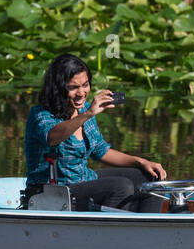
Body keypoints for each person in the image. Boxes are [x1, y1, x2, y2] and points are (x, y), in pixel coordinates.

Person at [23, 53, 168, 211]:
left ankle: (146, 228)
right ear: (58, 88)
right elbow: (52, 137)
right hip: (52, 192)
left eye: (85, 85)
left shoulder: (84, 110)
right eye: (73, 87)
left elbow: (101, 151)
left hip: (83, 180)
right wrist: (88, 114)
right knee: (121, 187)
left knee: (151, 178)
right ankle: (113, 229)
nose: (81, 93)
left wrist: (141, 162)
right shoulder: (40, 114)